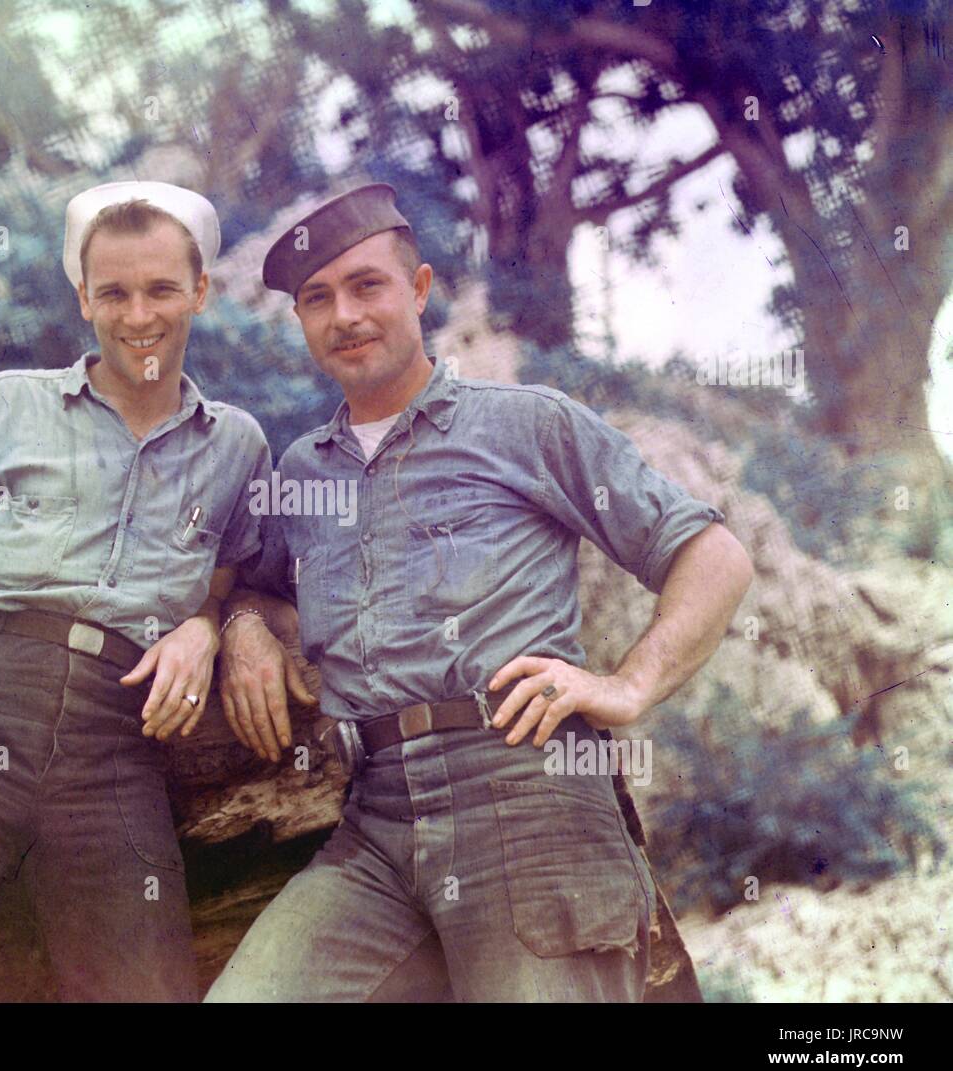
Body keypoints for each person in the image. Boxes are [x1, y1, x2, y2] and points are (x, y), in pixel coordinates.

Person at [206, 183, 753, 1002]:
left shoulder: (526, 425)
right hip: (375, 824)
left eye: (367, 286)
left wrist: (627, 685)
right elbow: (264, 591)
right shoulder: (302, 475)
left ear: (420, 290)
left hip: (528, 795)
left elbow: (713, 556)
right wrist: (246, 626)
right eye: (318, 299)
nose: (345, 315)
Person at [0, 181, 271, 1002]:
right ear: (84, 300)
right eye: (115, 293)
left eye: (163, 289)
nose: (139, 315)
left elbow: (229, 582)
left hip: (117, 742)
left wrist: (207, 628)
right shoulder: (9, 405)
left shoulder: (237, 446)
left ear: (201, 291)